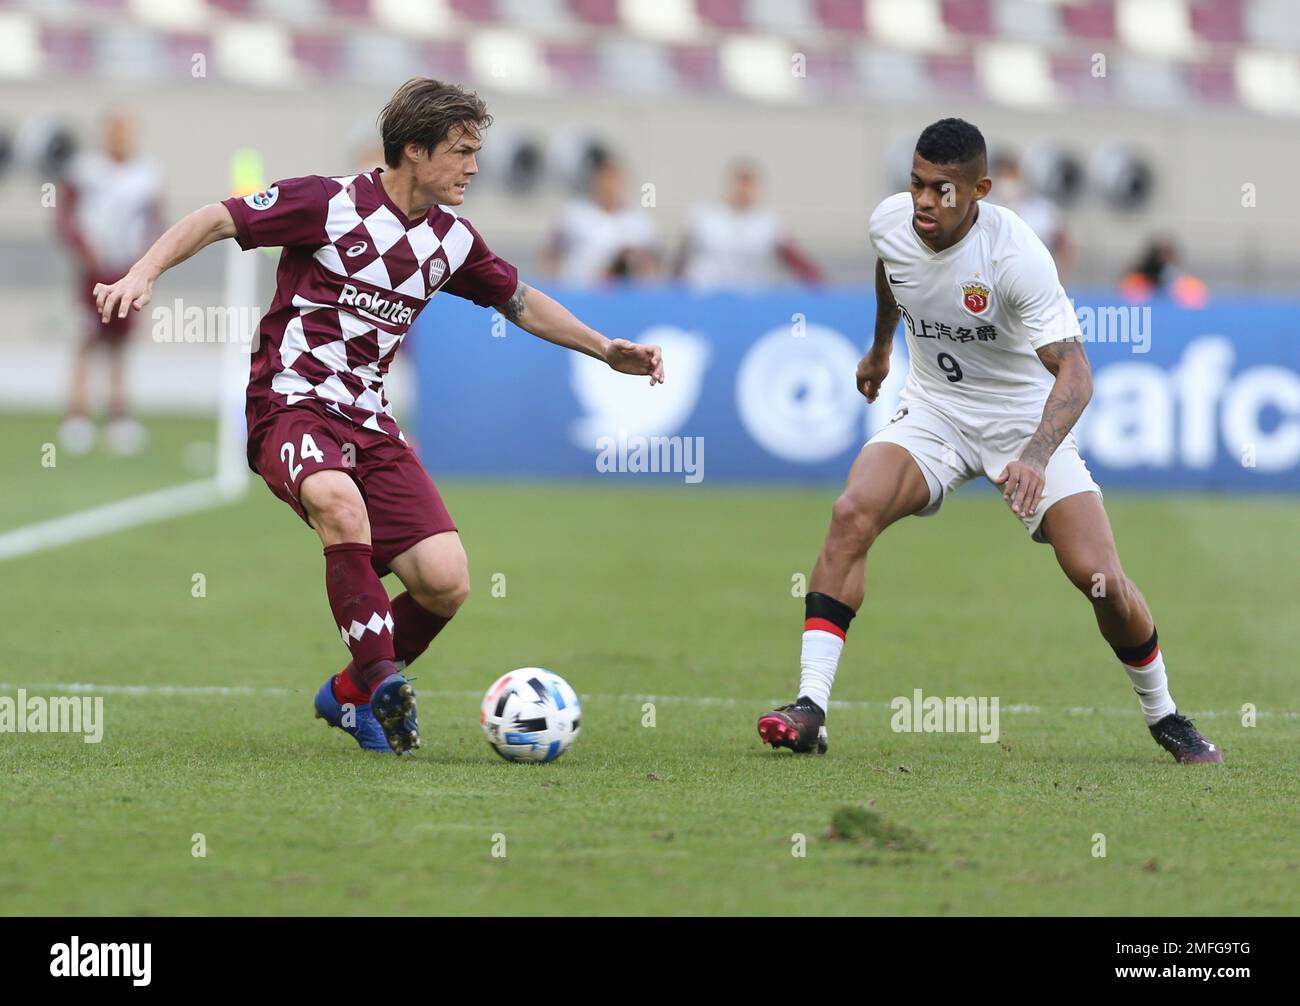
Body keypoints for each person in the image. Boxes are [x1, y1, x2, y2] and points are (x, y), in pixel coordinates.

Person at [93, 78, 664, 755]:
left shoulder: (451, 240)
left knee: (445, 582)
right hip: (290, 403)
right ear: (415, 152)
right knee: (338, 502)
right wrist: (144, 271)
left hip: (368, 420)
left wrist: (604, 349)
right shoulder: (327, 203)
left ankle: (347, 694)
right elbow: (218, 217)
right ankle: (386, 684)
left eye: (476, 151)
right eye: (461, 151)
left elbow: (520, 300)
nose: (474, 167)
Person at [756, 118, 1220, 765]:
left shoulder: (1015, 255)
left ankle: (1165, 714)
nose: (923, 201)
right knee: (850, 513)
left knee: (1100, 579)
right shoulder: (892, 223)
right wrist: (881, 347)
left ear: (980, 190)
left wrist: (1034, 456)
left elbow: (1078, 374)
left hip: (1022, 425)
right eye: (916, 184)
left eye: (941, 190)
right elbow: (892, 274)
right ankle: (809, 708)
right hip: (936, 412)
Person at [56, 110, 162, 455]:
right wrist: (83, 247)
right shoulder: (86, 170)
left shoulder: (146, 174)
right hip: (94, 269)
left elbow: (154, 218)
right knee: (87, 337)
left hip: (127, 269)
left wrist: (147, 259)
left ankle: (119, 416)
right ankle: (78, 414)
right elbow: (64, 213)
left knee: (120, 343)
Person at [677, 160, 822, 290]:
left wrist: (822, 288)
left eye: (749, 185)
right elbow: (682, 260)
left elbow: (798, 262)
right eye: (740, 184)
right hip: (704, 295)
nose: (743, 190)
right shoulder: (704, 217)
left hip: (750, 299)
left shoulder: (769, 224)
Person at [542, 154, 658, 284]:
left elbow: (651, 267)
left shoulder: (640, 223)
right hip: (580, 292)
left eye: (614, 179)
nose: (609, 185)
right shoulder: (573, 216)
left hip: (627, 297)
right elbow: (551, 254)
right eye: (604, 178)